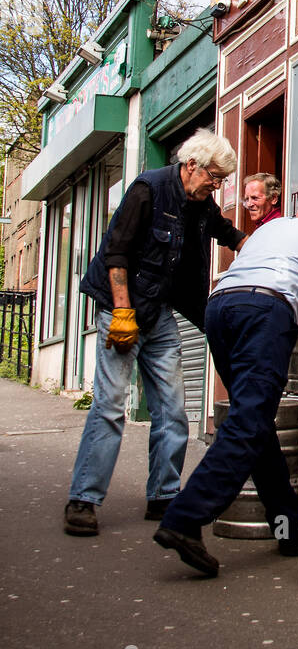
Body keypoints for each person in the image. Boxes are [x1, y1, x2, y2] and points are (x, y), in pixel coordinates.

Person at [153, 185, 298, 577]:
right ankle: (184, 518)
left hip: (220, 308)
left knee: (257, 421)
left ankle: (287, 529)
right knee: (249, 423)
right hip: (265, 311)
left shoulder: (274, 227)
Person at [64, 130, 245, 537]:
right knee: (110, 408)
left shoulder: (200, 202)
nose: (217, 185)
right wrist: (123, 312)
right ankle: (83, 499)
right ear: (192, 165)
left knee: (173, 411)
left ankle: (163, 496)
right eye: (214, 176)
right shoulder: (148, 190)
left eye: (222, 180)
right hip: (122, 308)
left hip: (159, 314)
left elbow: (227, 232)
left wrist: (257, 244)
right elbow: (117, 253)